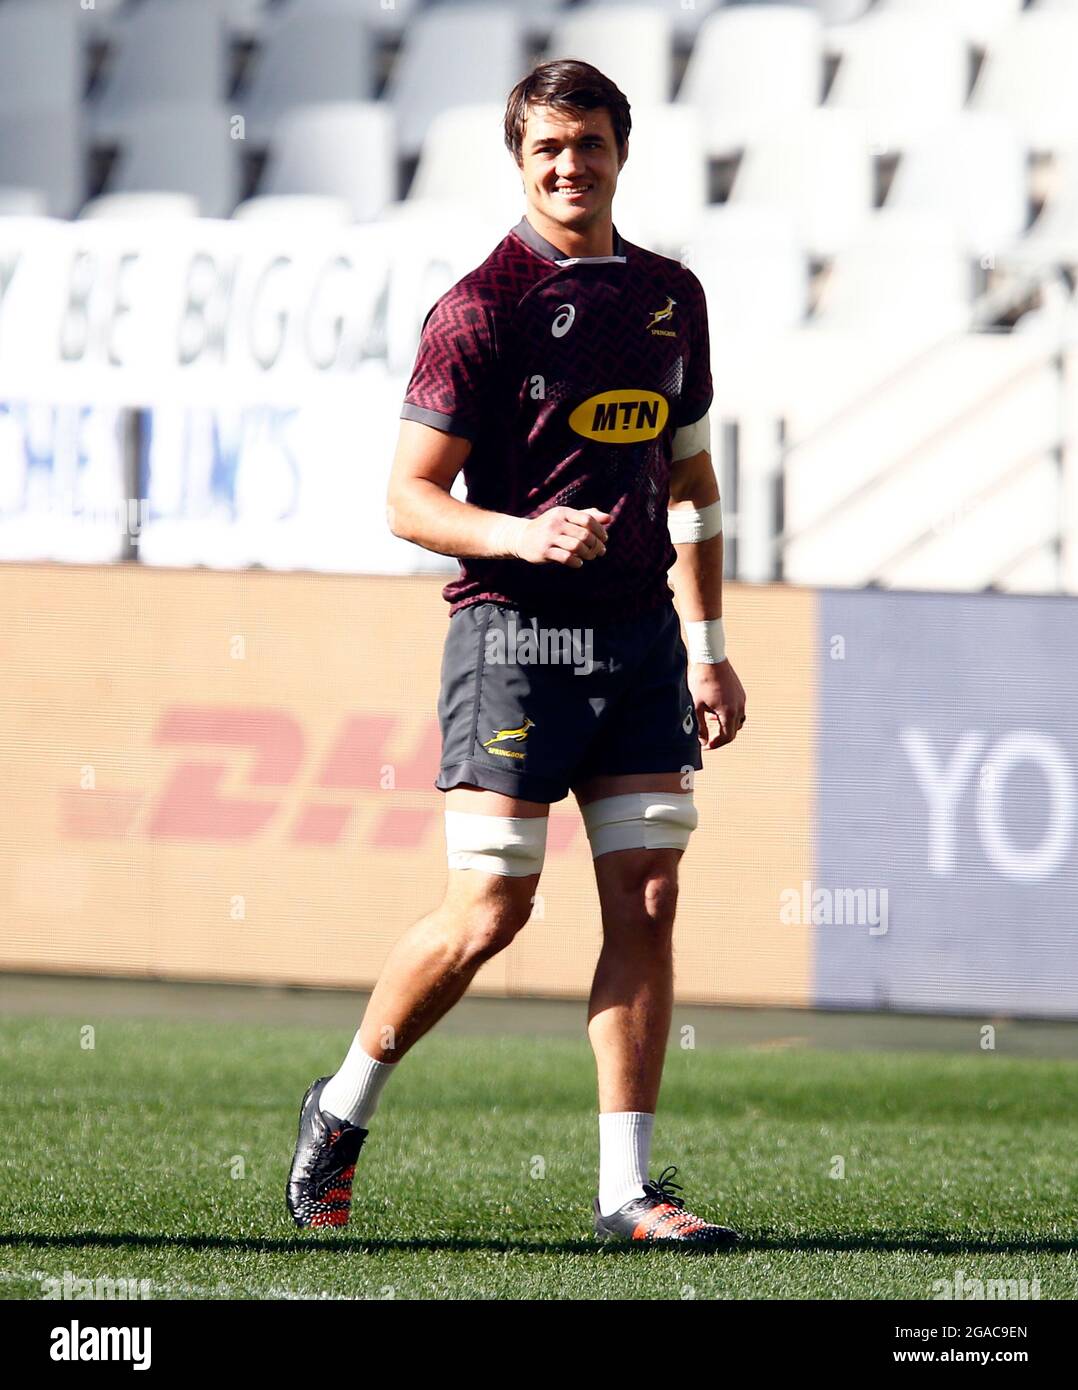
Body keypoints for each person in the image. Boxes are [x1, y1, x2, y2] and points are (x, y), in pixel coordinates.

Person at [287, 59, 747, 1247]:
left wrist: (707, 648)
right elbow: (406, 499)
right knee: (490, 911)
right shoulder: (478, 308)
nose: (567, 165)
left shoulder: (671, 297)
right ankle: (341, 1106)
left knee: (647, 896)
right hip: (513, 637)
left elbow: (691, 487)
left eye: (587, 142)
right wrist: (523, 534)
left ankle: (624, 1191)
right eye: (546, 147)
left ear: (621, 151)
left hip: (643, 639)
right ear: (519, 158)